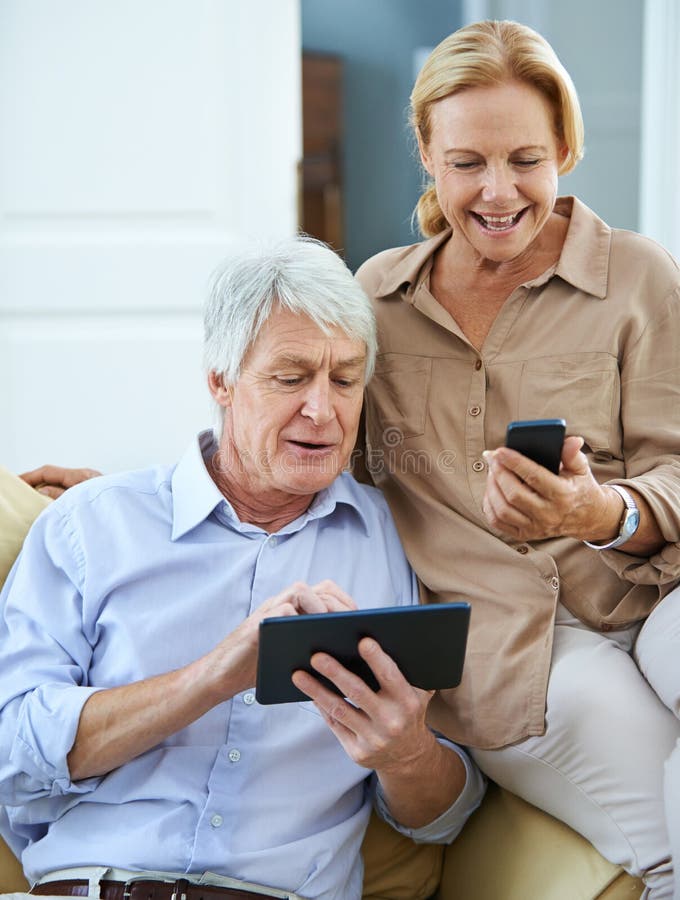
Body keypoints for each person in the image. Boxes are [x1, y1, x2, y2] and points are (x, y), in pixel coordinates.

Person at [0, 236, 484, 900]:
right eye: (290, 377)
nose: (322, 410)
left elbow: (445, 818)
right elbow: (14, 754)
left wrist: (406, 754)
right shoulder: (92, 525)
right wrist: (215, 674)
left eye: (345, 379)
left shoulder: (406, 540)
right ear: (220, 382)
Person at [355, 19, 680, 900]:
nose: (497, 192)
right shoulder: (375, 302)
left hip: (656, 592)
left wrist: (600, 511)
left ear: (566, 149)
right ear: (426, 151)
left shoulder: (639, 277)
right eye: (467, 163)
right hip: (515, 652)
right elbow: (295, 444)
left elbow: (678, 467)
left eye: (525, 159)